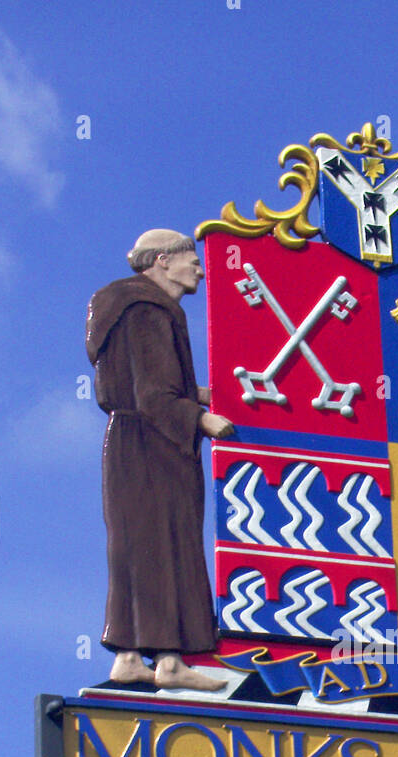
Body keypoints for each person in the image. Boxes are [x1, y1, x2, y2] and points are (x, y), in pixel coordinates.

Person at [85, 229, 234, 691]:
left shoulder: (138, 307)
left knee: (151, 546)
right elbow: (152, 392)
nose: (201, 269)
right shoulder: (146, 309)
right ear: (163, 261)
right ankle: (154, 660)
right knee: (161, 545)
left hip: (142, 440)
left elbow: (150, 383)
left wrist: (196, 395)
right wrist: (201, 418)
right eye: (192, 258)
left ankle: (152, 660)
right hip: (153, 441)